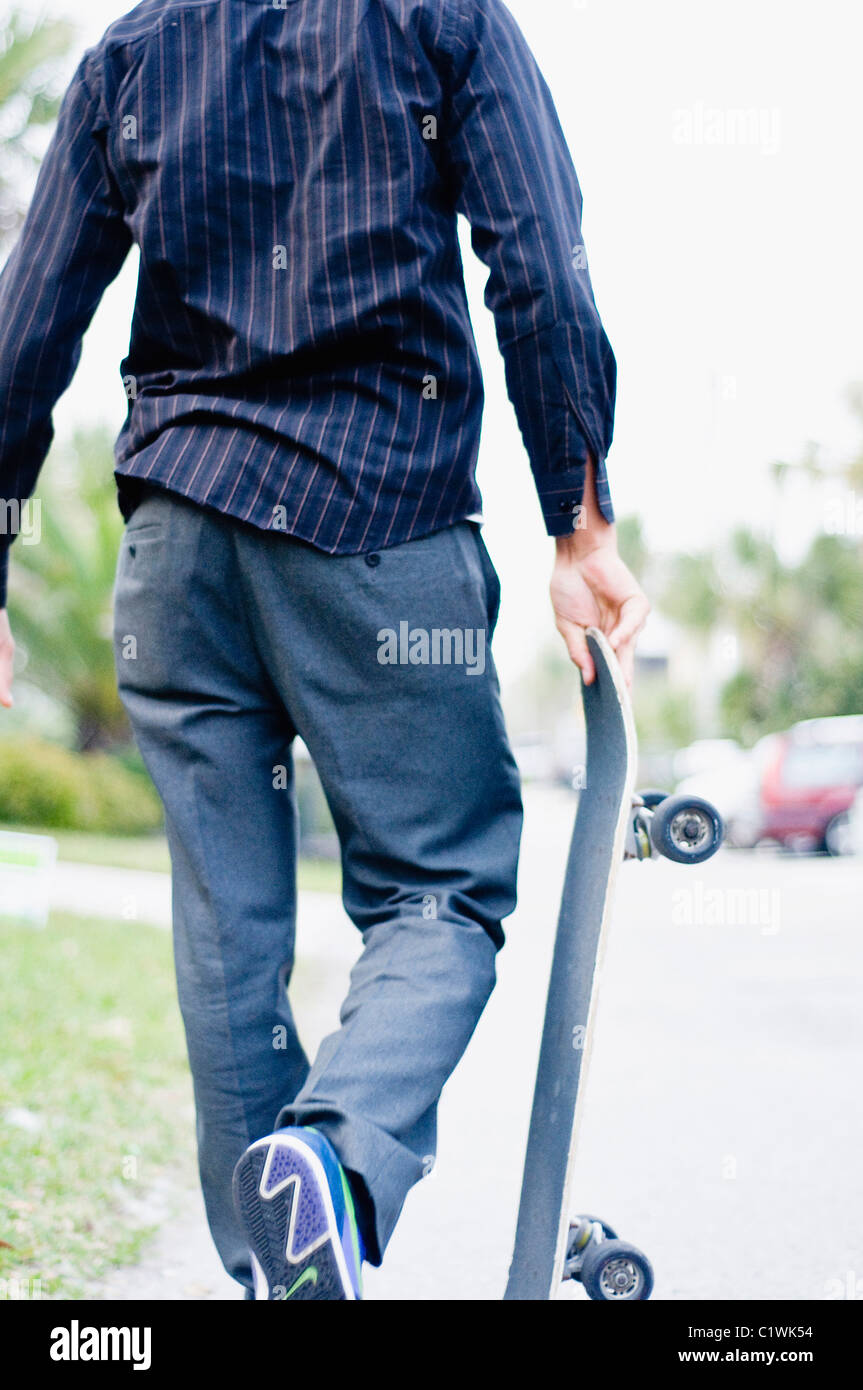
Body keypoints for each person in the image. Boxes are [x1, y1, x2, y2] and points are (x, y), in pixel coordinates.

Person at [0, 0, 648, 1299]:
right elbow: (539, 262)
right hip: (377, 526)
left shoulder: (131, 53)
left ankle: (276, 1273)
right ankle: (335, 1165)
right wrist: (577, 523)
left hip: (176, 553)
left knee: (225, 926)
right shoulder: (442, 20)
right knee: (441, 886)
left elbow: (27, 332)